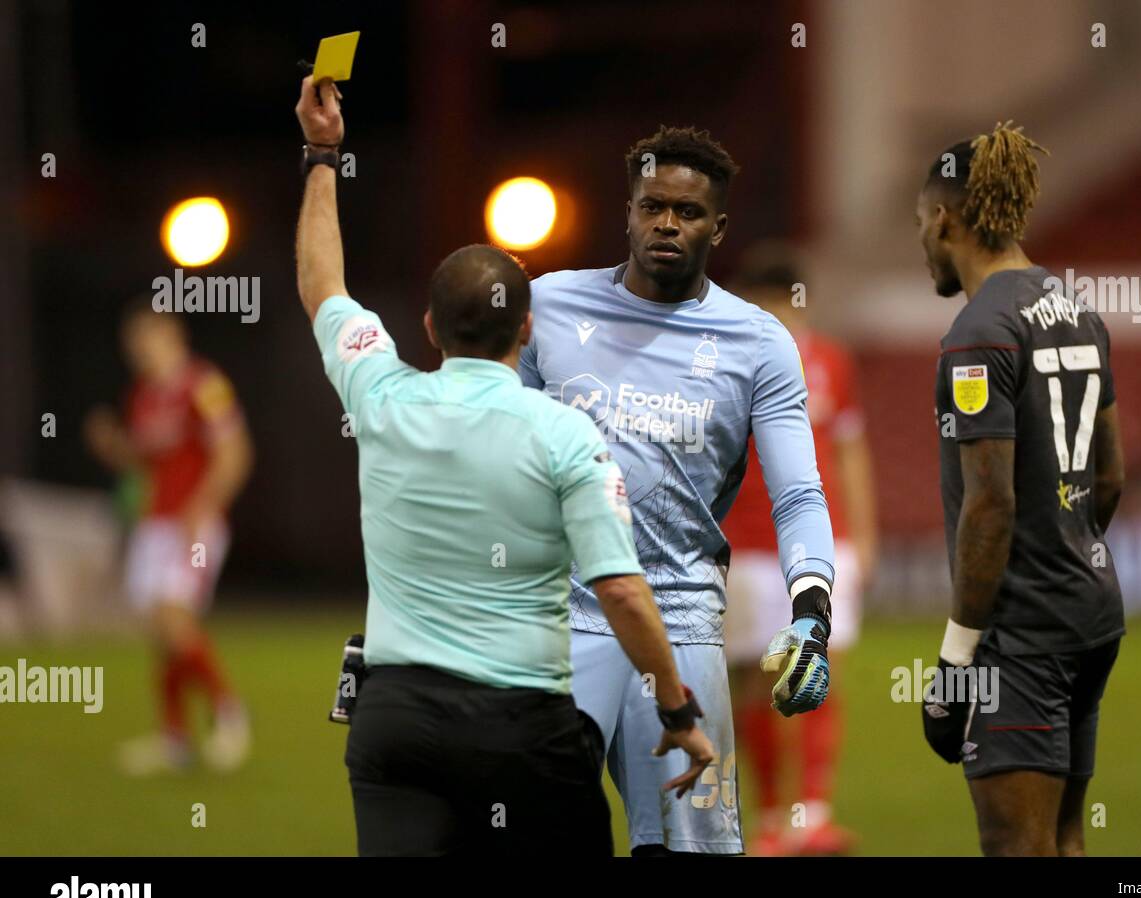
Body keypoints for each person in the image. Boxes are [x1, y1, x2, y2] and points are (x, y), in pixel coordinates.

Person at [293, 76, 715, 856]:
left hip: (396, 722)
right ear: (527, 330)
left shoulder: (380, 394)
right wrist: (678, 709)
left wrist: (322, 155)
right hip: (523, 732)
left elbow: (323, 286)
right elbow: (620, 589)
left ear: (425, 325)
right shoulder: (567, 436)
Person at [519, 126, 836, 856]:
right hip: (560, 615)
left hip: (683, 619)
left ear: (718, 227)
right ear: (626, 212)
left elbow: (798, 493)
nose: (667, 223)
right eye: (651, 206)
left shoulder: (758, 343)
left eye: (688, 212)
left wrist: (812, 613)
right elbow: (493, 456)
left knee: (689, 846)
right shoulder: (550, 307)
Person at [914, 122, 1126, 856]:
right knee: (1064, 837)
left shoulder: (978, 333)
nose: (922, 243)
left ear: (944, 219)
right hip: (1092, 611)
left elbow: (991, 504)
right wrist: (1068, 546)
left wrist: (953, 662)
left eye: (921, 224)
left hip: (1024, 632)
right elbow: (1108, 477)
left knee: (1018, 847)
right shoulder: (1080, 312)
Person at [721, 243, 878, 856]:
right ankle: (765, 820)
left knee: (820, 673)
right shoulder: (726, 366)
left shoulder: (831, 363)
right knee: (752, 682)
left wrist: (864, 537)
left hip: (821, 546)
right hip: (747, 544)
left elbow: (850, 449)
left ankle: (809, 814)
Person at [84, 303, 254, 776]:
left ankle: (228, 710)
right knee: (161, 633)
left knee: (174, 619)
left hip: (192, 525)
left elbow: (235, 453)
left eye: (149, 338)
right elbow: (144, 463)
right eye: (134, 342)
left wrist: (203, 507)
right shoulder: (141, 395)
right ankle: (175, 739)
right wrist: (111, 447)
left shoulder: (204, 385)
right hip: (155, 523)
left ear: (173, 337)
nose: (141, 350)